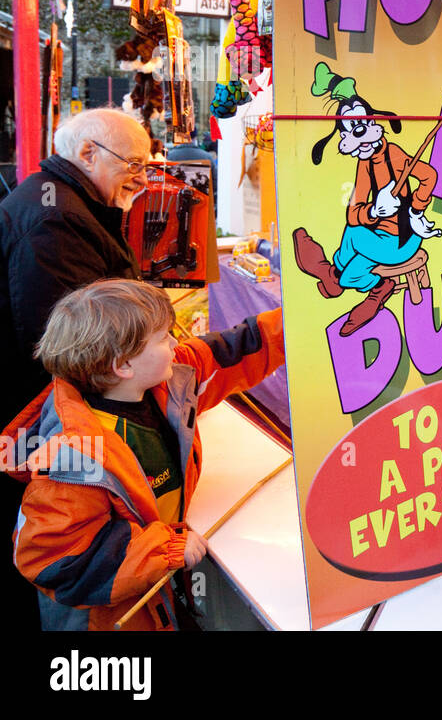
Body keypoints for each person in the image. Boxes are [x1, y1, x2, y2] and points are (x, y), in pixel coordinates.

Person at [1, 279, 285, 630]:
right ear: (123, 365)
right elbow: (53, 559)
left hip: (157, 588)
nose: (176, 342)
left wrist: (294, 323)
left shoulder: (158, 382)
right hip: (108, 619)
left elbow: (231, 350)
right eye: (164, 337)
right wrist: (163, 549)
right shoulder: (74, 457)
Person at [0, 106, 149, 629]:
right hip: (39, 416)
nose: (142, 176)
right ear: (87, 154)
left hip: (43, 417)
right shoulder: (56, 215)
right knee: (57, 540)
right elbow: (73, 341)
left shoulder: (67, 203)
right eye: (133, 162)